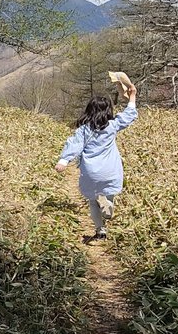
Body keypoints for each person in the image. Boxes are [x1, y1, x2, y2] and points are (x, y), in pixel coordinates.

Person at [55, 82, 138, 241]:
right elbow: (129, 115)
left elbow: (74, 145)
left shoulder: (84, 130)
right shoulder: (112, 126)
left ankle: (101, 231)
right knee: (108, 196)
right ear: (108, 111)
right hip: (110, 171)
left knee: (93, 202)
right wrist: (132, 96)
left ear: (89, 110)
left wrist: (63, 160)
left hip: (91, 173)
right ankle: (108, 208)